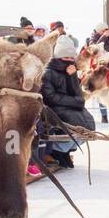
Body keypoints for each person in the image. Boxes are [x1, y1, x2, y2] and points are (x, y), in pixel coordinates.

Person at [40, 35, 93, 169]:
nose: (69, 61)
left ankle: (66, 151)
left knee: (88, 124)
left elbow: (78, 95)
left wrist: (72, 78)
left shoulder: (71, 71)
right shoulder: (48, 73)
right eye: (66, 58)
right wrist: (75, 102)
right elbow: (50, 96)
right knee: (73, 121)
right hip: (54, 109)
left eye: (71, 58)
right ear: (58, 57)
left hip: (70, 107)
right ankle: (58, 151)